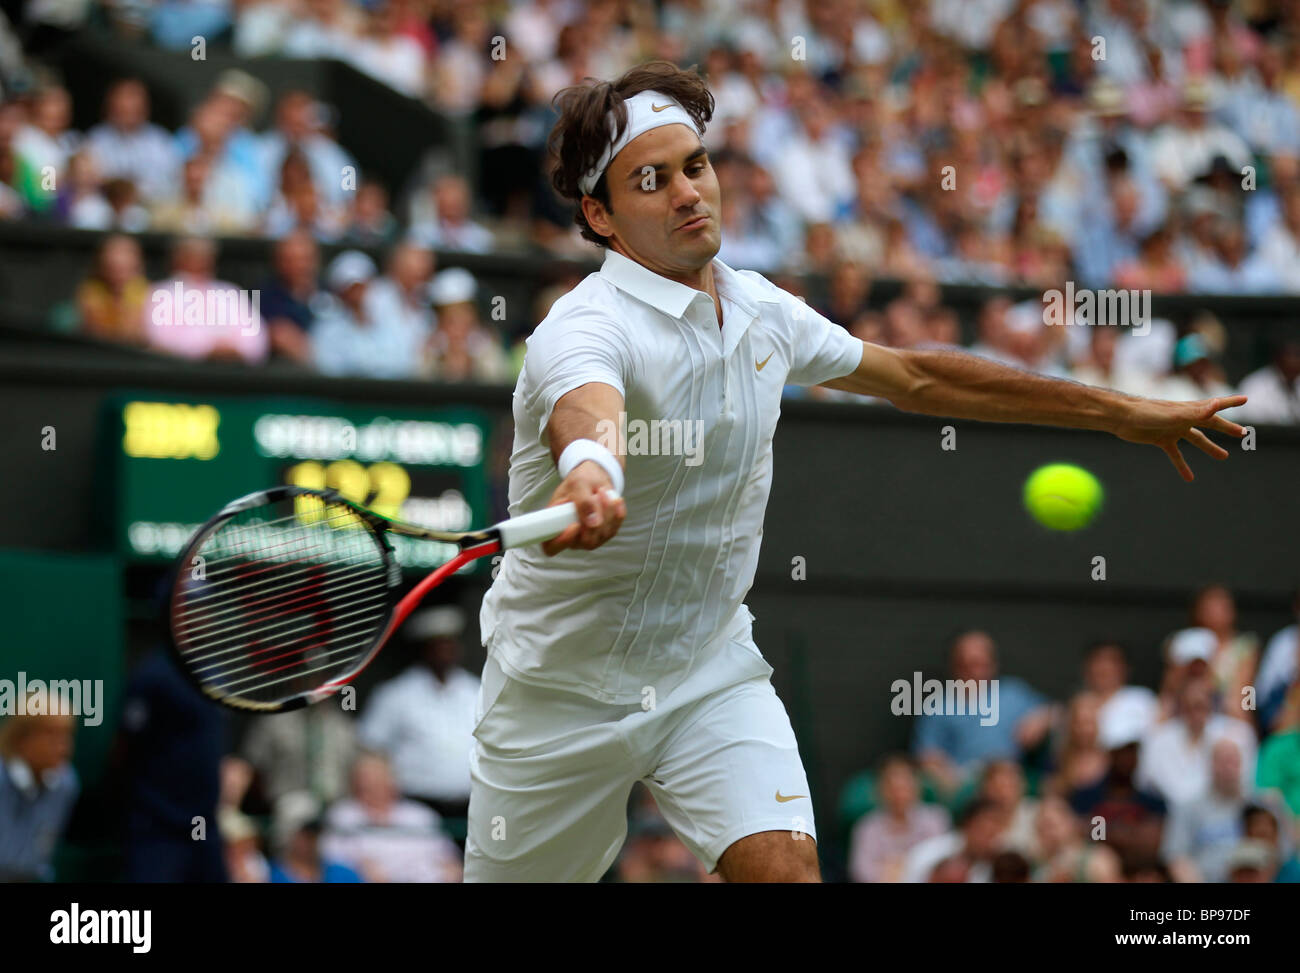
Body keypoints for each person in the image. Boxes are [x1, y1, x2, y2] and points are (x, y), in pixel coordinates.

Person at [466, 61, 1249, 884]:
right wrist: (591, 467)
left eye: (695, 166)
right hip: (558, 698)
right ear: (600, 214)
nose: (689, 193)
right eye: (651, 181)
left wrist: (1118, 410)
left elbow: (920, 377)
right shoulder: (581, 328)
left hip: (703, 671)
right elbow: (588, 412)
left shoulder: (765, 311)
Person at [357, 606, 479, 820]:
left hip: (471, 805)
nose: (445, 650)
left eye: (450, 643)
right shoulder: (395, 694)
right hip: (415, 807)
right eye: (438, 644)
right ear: (424, 648)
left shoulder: (476, 690)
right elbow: (372, 751)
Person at [912, 630, 1054, 799]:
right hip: (966, 784)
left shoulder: (1013, 694)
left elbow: (1057, 711)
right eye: (965, 665)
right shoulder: (939, 705)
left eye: (980, 664)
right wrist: (942, 775)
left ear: (993, 665)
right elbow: (927, 754)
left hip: (1010, 778)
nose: (974, 672)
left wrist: (1041, 719)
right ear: (954, 668)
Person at [319, 753, 461, 883]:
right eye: (365, 780)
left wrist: (452, 870)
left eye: (378, 778)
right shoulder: (343, 815)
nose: (372, 785)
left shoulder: (420, 815)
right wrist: (358, 869)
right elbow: (331, 857)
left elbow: (449, 858)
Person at [0, 692, 79, 881]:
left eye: (67, 735)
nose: (63, 747)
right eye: (52, 735)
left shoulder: (67, 784)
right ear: (22, 738)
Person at [846, 754, 950, 883]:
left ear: (917, 786)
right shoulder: (867, 828)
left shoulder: (936, 818)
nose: (899, 794)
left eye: (905, 786)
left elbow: (942, 864)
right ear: (880, 790)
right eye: (893, 787)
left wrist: (904, 867)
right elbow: (860, 871)